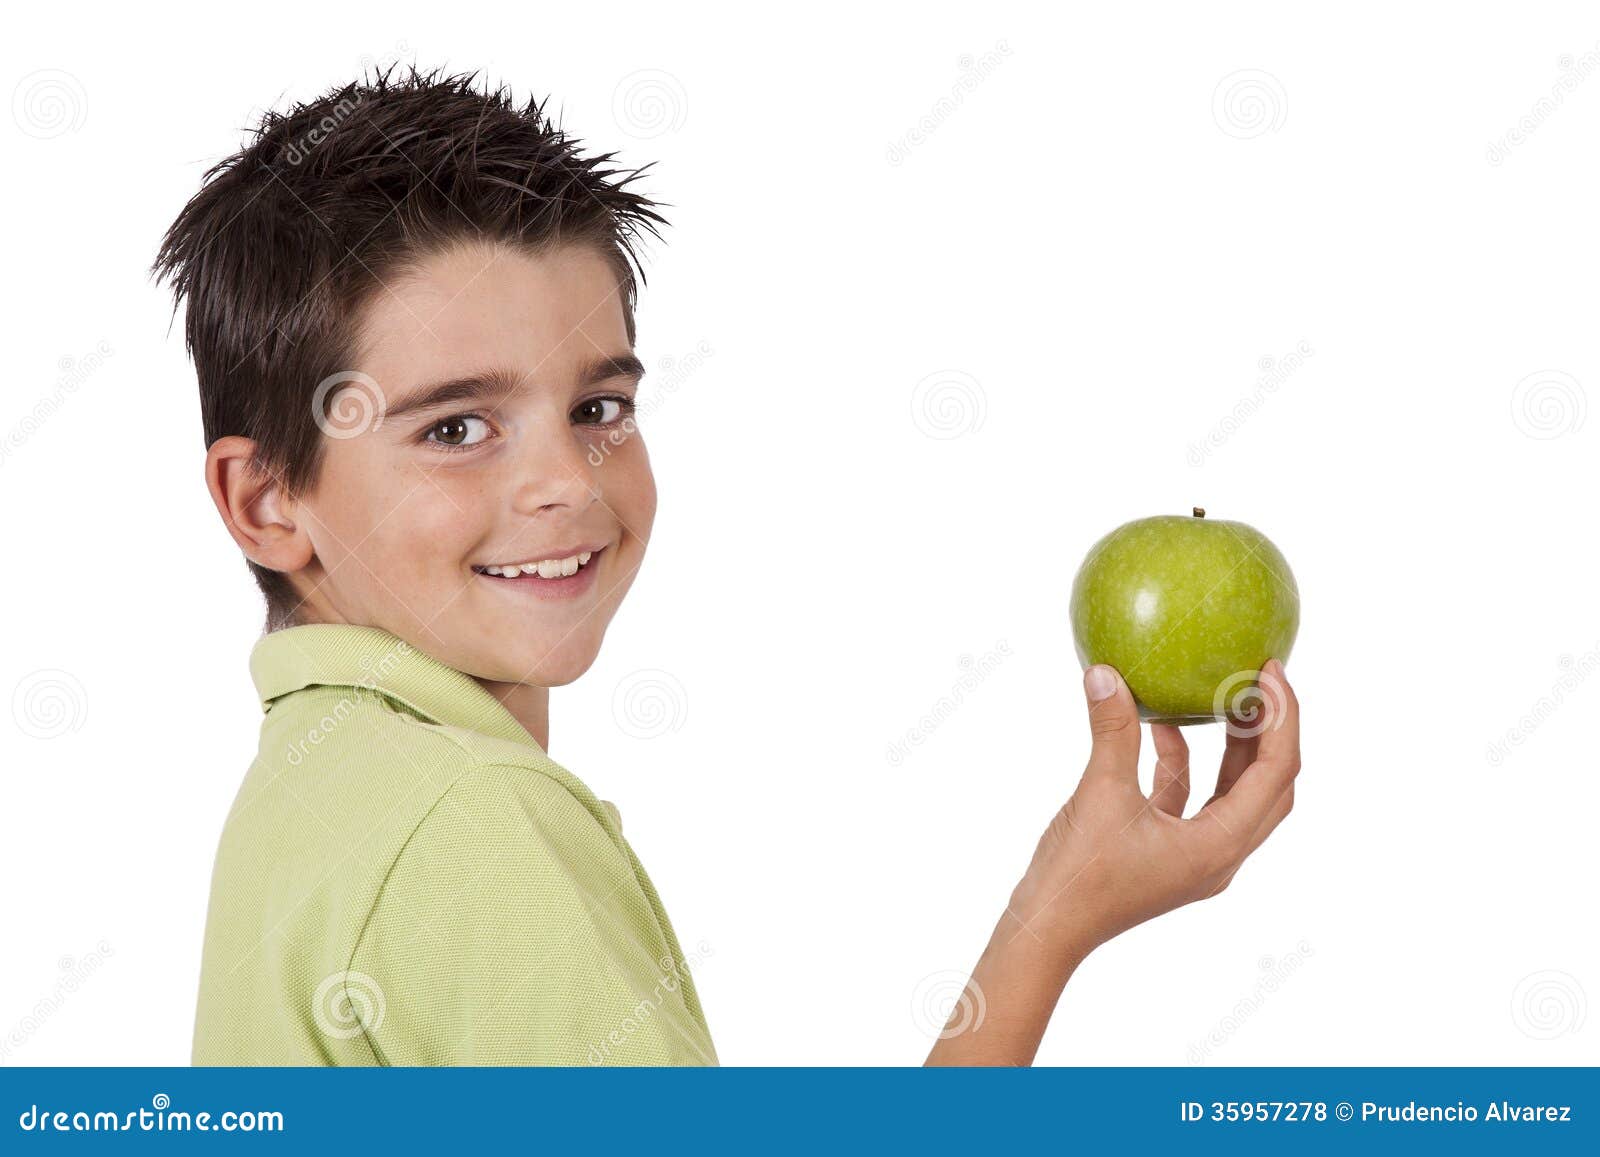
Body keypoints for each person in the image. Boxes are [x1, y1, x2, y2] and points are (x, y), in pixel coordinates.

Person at [153, 66, 1299, 1066]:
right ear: (266, 501)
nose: (569, 482)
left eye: (597, 404)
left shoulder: (318, 783)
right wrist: (1055, 917)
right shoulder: (471, 820)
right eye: (456, 427)